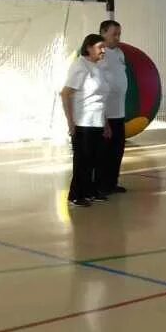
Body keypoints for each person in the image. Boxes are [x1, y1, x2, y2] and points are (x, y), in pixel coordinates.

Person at [60, 34, 111, 207]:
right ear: (88, 47)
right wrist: (70, 122)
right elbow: (65, 93)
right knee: (82, 161)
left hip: (97, 122)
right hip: (83, 123)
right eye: (100, 47)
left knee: (95, 160)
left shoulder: (98, 66)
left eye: (104, 47)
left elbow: (101, 98)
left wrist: (105, 123)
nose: (104, 50)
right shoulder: (80, 66)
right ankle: (75, 194)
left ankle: (90, 191)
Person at [97, 19, 128, 195]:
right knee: (104, 152)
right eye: (113, 34)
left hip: (119, 112)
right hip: (105, 113)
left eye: (119, 34)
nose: (117, 38)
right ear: (103, 33)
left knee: (117, 150)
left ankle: (112, 182)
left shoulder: (120, 53)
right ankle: (100, 185)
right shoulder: (99, 53)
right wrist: (103, 117)